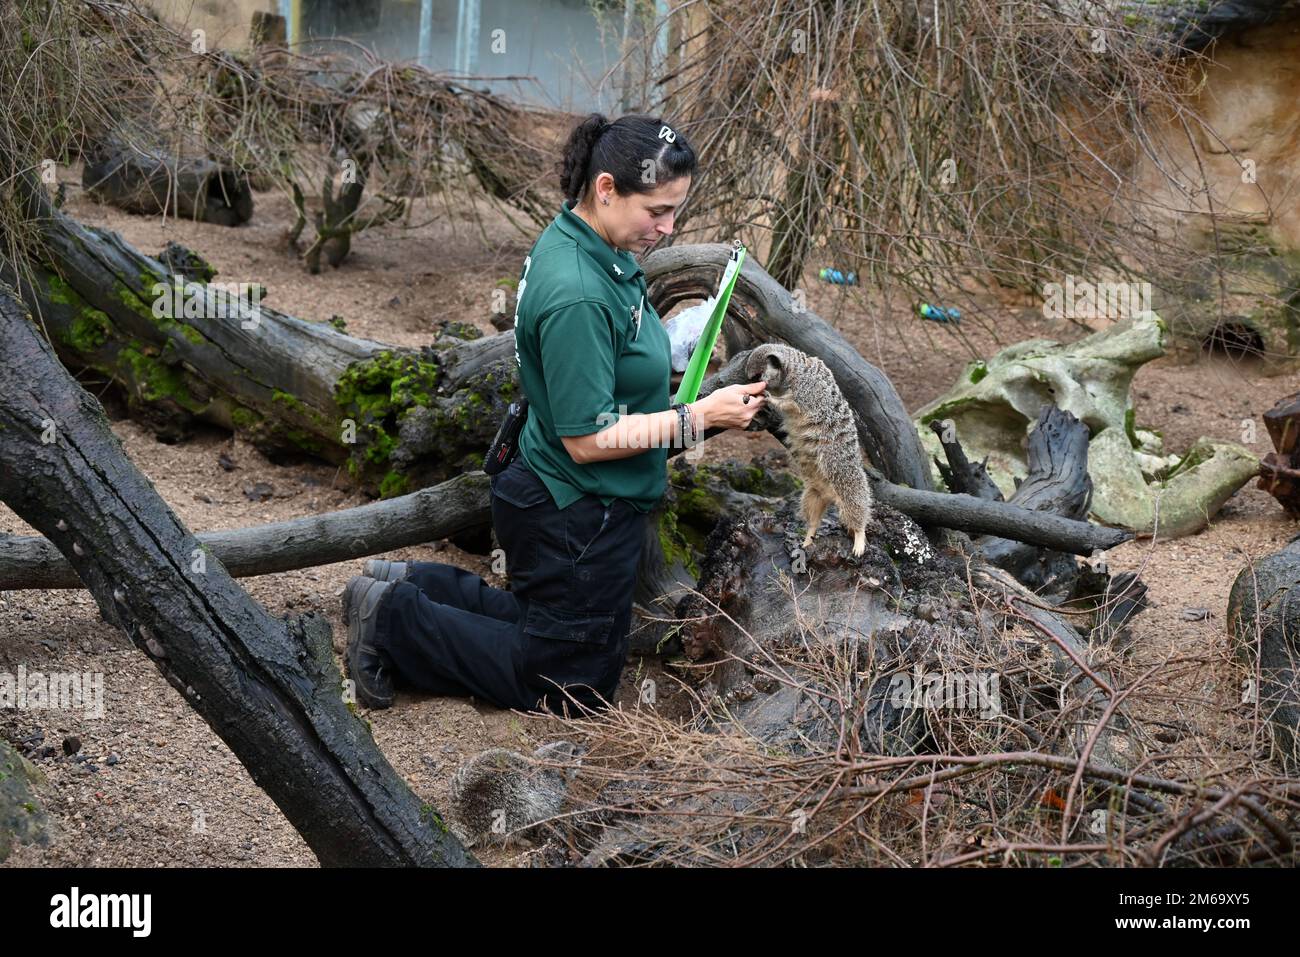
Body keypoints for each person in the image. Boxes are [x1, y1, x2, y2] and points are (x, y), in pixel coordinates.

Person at [342, 112, 768, 716]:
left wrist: (666, 351)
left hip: (560, 494)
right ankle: (393, 619)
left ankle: (413, 583)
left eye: (676, 211)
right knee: (571, 685)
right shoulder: (578, 289)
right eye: (658, 211)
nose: (669, 228)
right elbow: (588, 440)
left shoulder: (586, 242)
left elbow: (606, 357)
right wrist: (697, 418)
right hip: (574, 506)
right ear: (606, 188)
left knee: (556, 631)